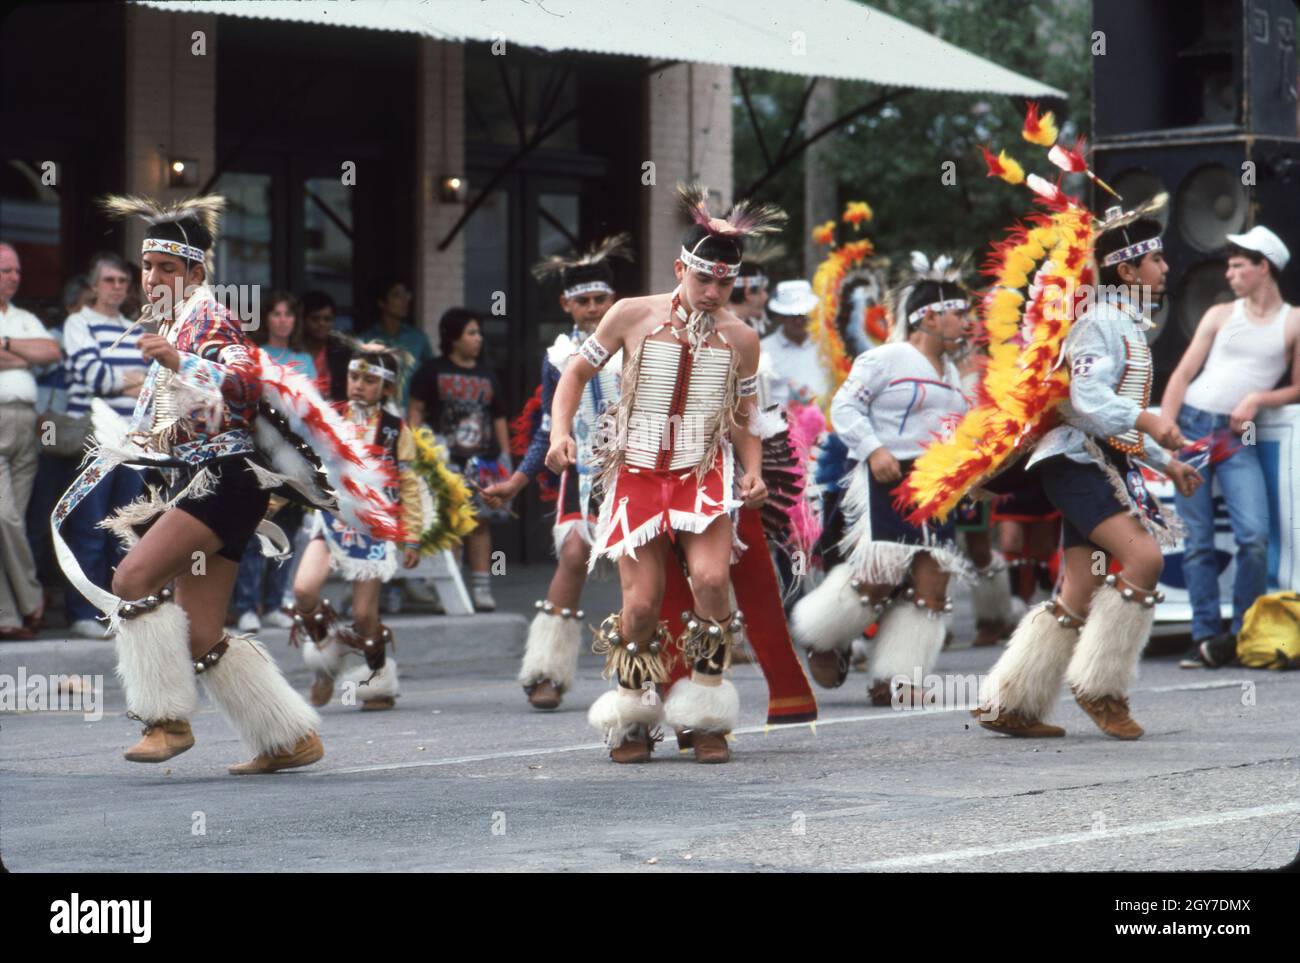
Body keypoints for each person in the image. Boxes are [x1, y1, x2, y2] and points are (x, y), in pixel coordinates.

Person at [51, 195, 327, 774]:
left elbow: (248, 382)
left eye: (167, 269)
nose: (151, 278)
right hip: (209, 484)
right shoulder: (173, 323)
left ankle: (165, 719)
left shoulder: (208, 318)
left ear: (196, 273)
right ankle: (288, 737)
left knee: (132, 577)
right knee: (201, 632)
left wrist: (179, 361)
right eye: (147, 267)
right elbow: (180, 416)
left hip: (224, 483)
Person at [545, 184, 782, 764]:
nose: (712, 291)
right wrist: (559, 433)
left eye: (724, 282)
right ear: (681, 268)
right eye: (703, 278)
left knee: (710, 582)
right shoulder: (630, 314)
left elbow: (747, 413)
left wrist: (752, 470)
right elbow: (573, 376)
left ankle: (705, 714)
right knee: (643, 605)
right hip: (637, 472)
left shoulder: (741, 338)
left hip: (703, 473)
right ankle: (631, 711)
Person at [976, 204, 1203, 740]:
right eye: (1155, 259)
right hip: (1075, 463)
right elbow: (1086, 399)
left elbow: (1117, 423)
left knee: (1083, 584)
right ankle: (1101, 688)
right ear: (1125, 271)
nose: (1166, 268)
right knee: (1144, 559)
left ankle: (1011, 703)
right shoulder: (1098, 320)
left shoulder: (1124, 324)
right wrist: (1149, 417)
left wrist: (1167, 462)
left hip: (1099, 462)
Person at [791, 254, 972, 705]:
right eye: (958, 313)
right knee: (878, 576)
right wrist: (875, 449)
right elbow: (846, 408)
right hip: (888, 475)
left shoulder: (952, 376)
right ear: (928, 316)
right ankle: (822, 635)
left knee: (933, 584)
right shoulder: (887, 357)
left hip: (936, 485)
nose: (965, 323)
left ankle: (897, 676)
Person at [482, 234, 630, 710]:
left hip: (637, 470)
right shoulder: (558, 359)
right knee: (571, 553)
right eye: (583, 300)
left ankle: (646, 668)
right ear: (566, 304)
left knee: (644, 565)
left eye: (600, 300)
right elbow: (549, 429)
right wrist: (516, 482)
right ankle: (546, 669)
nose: (592, 309)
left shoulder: (640, 346)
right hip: (582, 473)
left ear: (614, 301)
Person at [1159, 225, 1299, 667]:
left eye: (1239, 265)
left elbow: (1298, 388)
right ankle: (1202, 639)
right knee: (1198, 539)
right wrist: (1166, 430)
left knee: (1254, 536)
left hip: (1239, 436)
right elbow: (1181, 376)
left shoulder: (1293, 319)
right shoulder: (1220, 314)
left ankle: (1240, 637)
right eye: (1229, 265)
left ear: (1264, 267)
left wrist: (1258, 397)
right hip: (1195, 425)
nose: (1230, 273)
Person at [290, 345, 424, 711]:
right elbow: (304, 466)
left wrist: (411, 536)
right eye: (354, 377)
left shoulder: (397, 431)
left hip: (373, 529)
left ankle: (377, 679)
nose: (359, 385)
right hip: (332, 521)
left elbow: (409, 486)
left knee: (365, 615)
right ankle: (326, 665)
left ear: (386, 388)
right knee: (303, 590)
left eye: (369, 379)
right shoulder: (329, 418)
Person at [60, 253, 150, 639]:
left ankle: (119, 611)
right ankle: (84, 611)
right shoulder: (77, 323)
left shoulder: (135, 329)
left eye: (122, 281)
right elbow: (93, 376)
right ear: (94, 286)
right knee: (89, 528)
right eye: (109, 280)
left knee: (125, 532)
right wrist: (128, 380)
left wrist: (127, 380)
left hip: (134, 445)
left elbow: (151, 386)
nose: (116, 287)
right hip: (97, 442)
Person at [408, 308, 510, 611]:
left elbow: (499, 417)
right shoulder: (431, 371)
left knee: (480, 523)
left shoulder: (487, 374)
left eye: (479, 333)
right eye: (471, 333)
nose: (478, 339)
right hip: (444, 460)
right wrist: (416, 450)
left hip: (483, 462)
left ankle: (481, 588)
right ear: (453, 338)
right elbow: (415, 410)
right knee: (449, 523)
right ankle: (448, 589)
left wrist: (505, 457)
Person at [232, 292, 316, 632]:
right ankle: (246, 606)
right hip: (261, 451)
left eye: (288, 314)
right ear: (267, 319)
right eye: (276, 314)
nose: (282, 320)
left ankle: (276, 602)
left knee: (289, 529)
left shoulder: (304, 359)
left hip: (296, 453)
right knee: (256, 528)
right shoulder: (257, 354)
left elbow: (312, 408)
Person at [0, 241, 60, 640]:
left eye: (18, 270)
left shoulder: (23, 317)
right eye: (6, 270)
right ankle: (31, 598)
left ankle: (7, 618)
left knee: (11, 523)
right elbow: (36, 355)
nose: (15, 277)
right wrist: (27, 355)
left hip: (27, 422)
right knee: (5, 518)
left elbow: (52, 351)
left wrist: (6, 346)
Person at [359, 277, 433, 406]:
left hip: (410, 415)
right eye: (397, 295)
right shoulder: (366, 339)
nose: (404, 300)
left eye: (407, 295)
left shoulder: (418, 338)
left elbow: (430, 377)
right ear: (382, 302)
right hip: (375, 412)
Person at [760, 279, 832, 408]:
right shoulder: (763, 349)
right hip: (783, 425)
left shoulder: (829, 344)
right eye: (792, 316)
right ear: (780, 316)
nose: (799, 321)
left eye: (803, 315)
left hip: (827, 424)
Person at [300, 290, 351, 400]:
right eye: (315, 319)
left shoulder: (342, 353)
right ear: (303, 320)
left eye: (327, 319)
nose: (321, 324)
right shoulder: (292, 350)